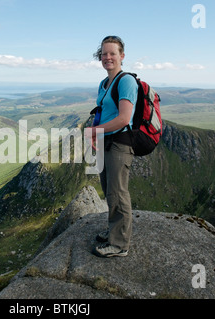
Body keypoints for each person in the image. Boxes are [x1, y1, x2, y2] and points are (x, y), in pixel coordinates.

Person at [88, 35, 138, 258]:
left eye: (112, 53)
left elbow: (124, 119)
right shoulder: (104, 83)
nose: (108, 57)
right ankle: (113, 231)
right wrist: (95, 130)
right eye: (104, 53)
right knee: (109, 189)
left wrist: (96, 131)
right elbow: (102, 111)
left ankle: (120, 245)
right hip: (105, 141)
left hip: (120, 143)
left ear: (122, 56)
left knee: (118, 192)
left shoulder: (126, 81)